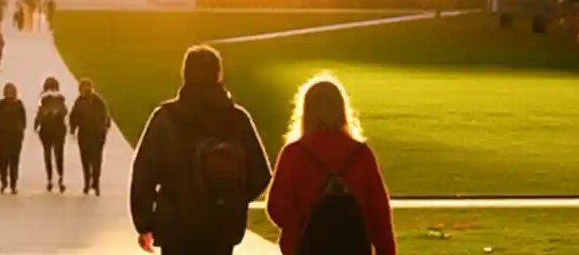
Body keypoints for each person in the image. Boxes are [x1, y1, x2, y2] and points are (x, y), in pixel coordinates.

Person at [130, 45, 272, 255]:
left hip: (176, 226)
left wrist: (145, 223)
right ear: (218, 74)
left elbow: (143, 173)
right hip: (221, 226)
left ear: (185, 74)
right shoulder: (236, 119)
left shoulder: (165, 118)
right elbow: (260, 174)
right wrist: (232, 198)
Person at [266, 74, 395, 255]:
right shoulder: (361, 155)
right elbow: (379, 215)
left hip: (306, 248)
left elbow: (276, 206)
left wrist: (298, 229)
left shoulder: (294, 154)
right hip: (353, 247)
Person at [69, 77, 111, 196]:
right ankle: (87, 182)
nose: (86, 90)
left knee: (97, 160)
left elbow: (106, 115)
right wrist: (72, 128)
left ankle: (96, 182)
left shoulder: (98, 101)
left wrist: (105, 127)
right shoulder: (79, 102)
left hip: (97, 134)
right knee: (86, 160)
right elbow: (73, 116)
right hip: (84, 135)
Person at [0, 82, 27, 194]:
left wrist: (21, 132)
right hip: (6, 137)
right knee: (6, 161)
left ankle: (10, 183)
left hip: (12, 137)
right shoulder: (4, 105)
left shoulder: (13, 105)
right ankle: (6, 183)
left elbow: (23, 121)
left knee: (11, 161)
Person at [35, 76, 69, 193]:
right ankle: (60, 177)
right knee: (59, 155)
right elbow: (65, 112)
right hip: (59, 130)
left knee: (47, 154)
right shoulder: (60, 98)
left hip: (46, 131)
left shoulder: (43, 98)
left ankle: (49, 178)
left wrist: (36, 125)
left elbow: (40, 114)